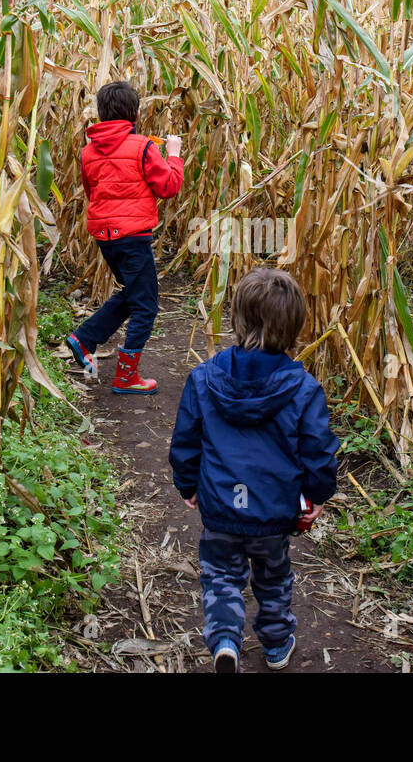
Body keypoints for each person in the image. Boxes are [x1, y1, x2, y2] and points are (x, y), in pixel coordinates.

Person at [168, 268, 339, 672]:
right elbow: (318, 451)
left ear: (236, 318)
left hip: (221, 509)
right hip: (273, 514)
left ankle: (225, 639)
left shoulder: (204, 378)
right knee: (273, 578)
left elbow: (185, 442)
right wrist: (317, 494)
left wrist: (188, 486)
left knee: (221, 576)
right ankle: (277, 645)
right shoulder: (303, 389)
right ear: (294, 325)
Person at [66, 80, 183, 394]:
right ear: (134, 113)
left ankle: (84, 338)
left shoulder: (89, 152)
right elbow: (169, 187)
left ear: (103, 113)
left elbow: (94, 194)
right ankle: (127, 376)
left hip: (106, 237)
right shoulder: (142, 146)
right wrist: (174, 155)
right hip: (132, 235)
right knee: (146, 305)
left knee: (135, 294)